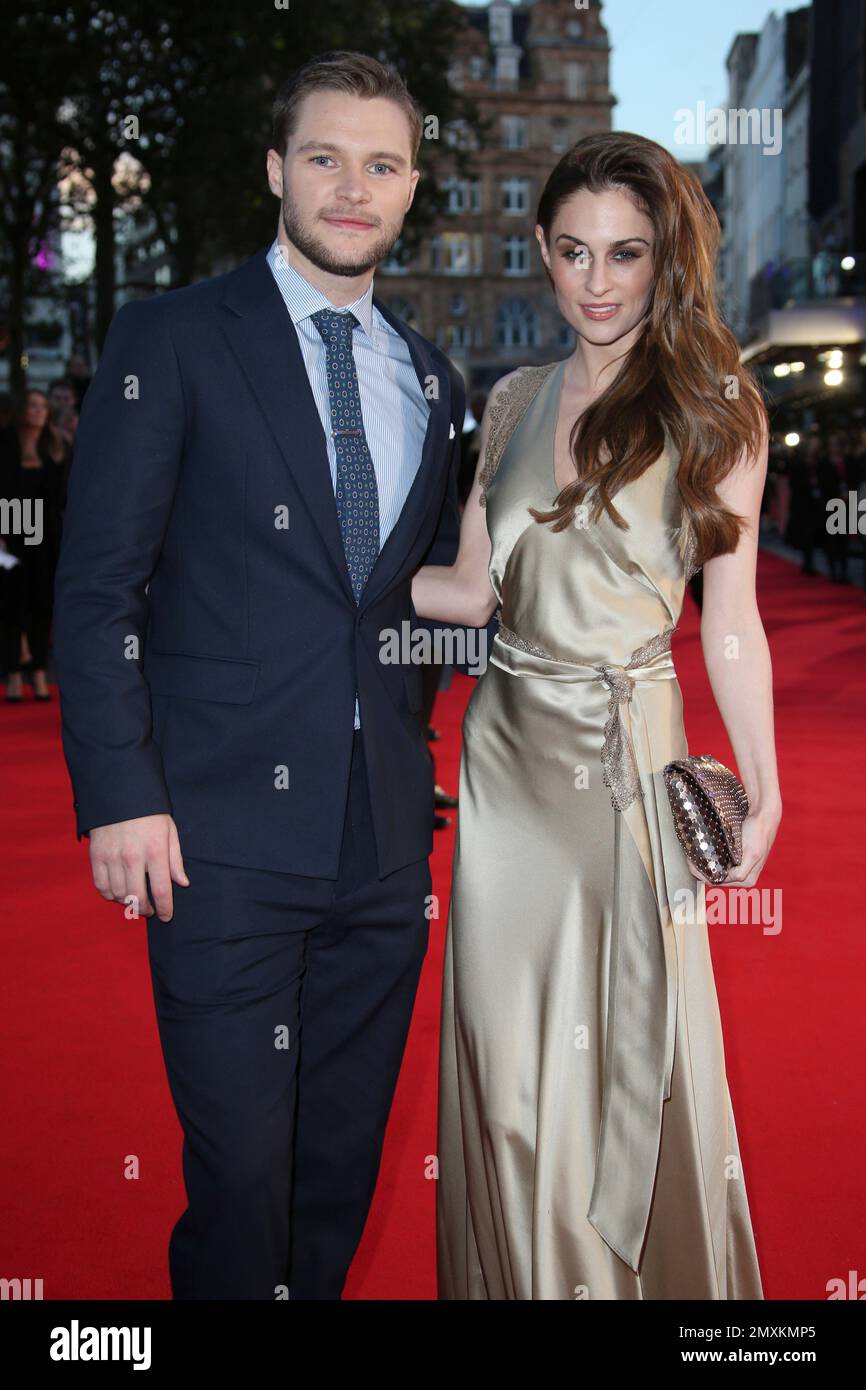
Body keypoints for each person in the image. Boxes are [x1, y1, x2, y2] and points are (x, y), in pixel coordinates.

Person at [52, 50, 463, 1300]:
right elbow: (96, 586)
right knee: (241, 1172)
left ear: (408, 189)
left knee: (335, 1168)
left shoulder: (431, 380)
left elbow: (414, 608)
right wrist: (121, 790)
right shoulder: (171, 337)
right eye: (327, 157)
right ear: (278, 171)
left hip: (383, 850)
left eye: (381, 164)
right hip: (215, 840)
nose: (353, 187)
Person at [412, 132, 781, 1300]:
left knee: (623, 1052)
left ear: (662, 255)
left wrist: (762, 782)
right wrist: (298, 569)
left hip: (625, 762)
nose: (597, 280)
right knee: (507, 1068)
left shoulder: (713, 406)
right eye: (572, 251)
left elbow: (728, 616)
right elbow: (469, 590)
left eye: (624, 252)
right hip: (504, 761)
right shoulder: (512, 397)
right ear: (539, 250)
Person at [0, 388, 69, 701]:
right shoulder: (4, 443)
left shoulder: (55, 446)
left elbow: (64, 495)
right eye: (32, 405)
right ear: (21, 410)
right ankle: (13, 674)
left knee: (42, 605)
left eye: (43, 407)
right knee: (10, 604)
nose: (38, 411)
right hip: (10, 527)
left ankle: (39, 671)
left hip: (46, 533)